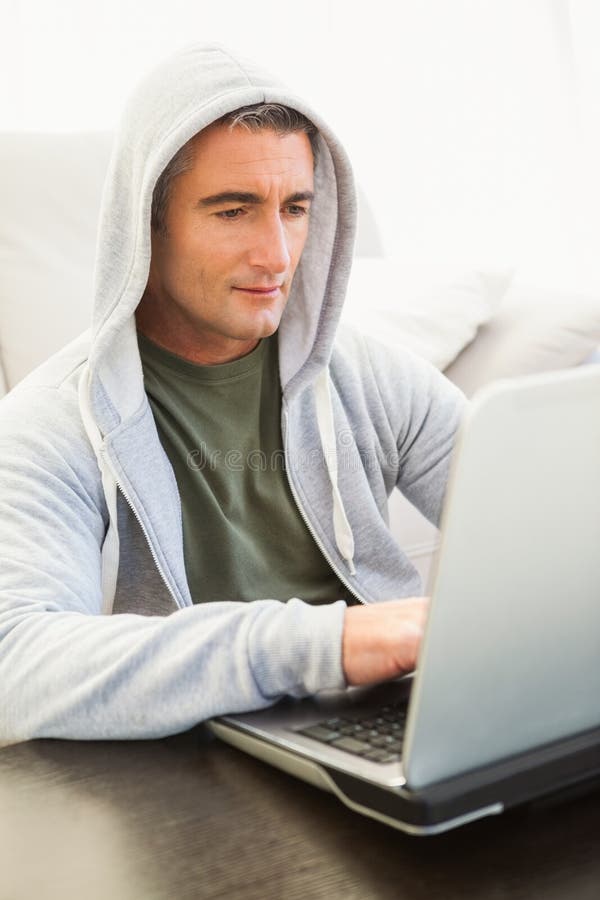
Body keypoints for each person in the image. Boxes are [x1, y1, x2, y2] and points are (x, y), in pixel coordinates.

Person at [0, 44, 465, 743]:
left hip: (395, 733)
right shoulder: (51, 425)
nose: (276, 254)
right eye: (233, 210)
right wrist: (327, 642)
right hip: (197, 778)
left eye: (296, 207)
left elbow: (548, 530)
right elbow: (17, 667)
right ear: (146, 224)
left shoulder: (369, 376)